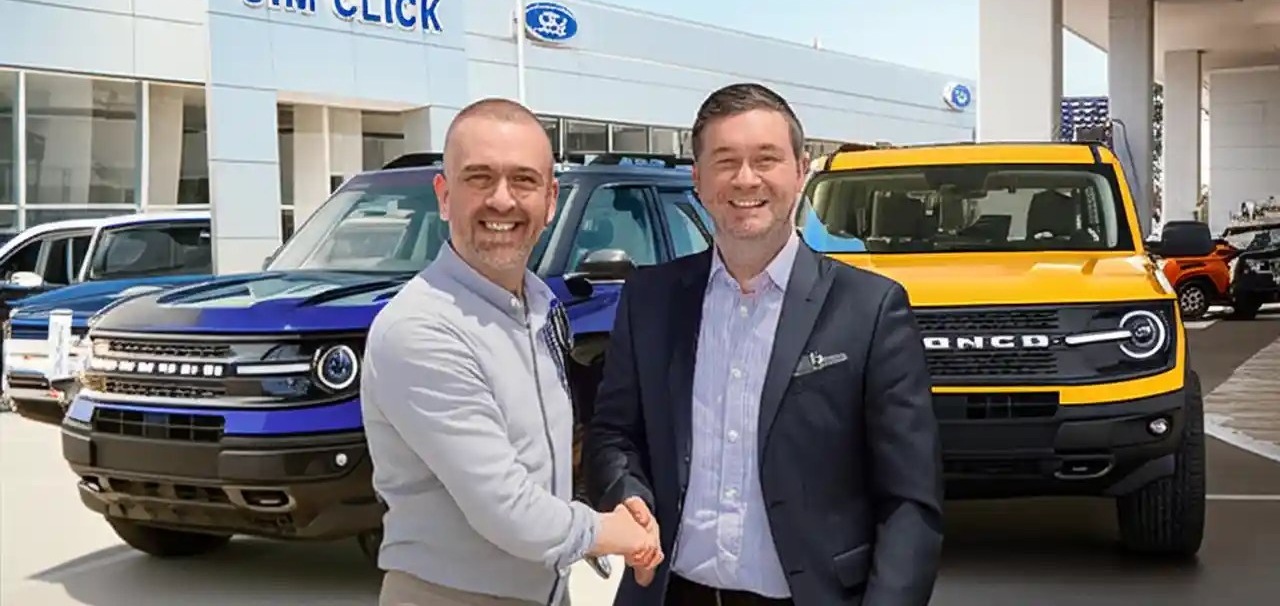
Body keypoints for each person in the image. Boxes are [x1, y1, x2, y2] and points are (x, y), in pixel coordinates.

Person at [584, 83, 944, 606]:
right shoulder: (650, 299)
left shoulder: (870, 310)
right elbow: (613, 435)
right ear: (698, 178)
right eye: (725, 160)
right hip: (668, 593)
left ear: (800, 172)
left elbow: (911, 502)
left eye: (766, 159)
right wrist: (628, 495)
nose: (745, 179)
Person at [361, 98, 662, 606]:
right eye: (479, 178)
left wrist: (624, 493)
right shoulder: (422, 329)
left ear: (550, 200)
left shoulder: (541, 305)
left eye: (523, 180)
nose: (502, 200)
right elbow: (506, 508)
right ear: (444, 195)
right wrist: (615, 532)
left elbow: (553, 455)